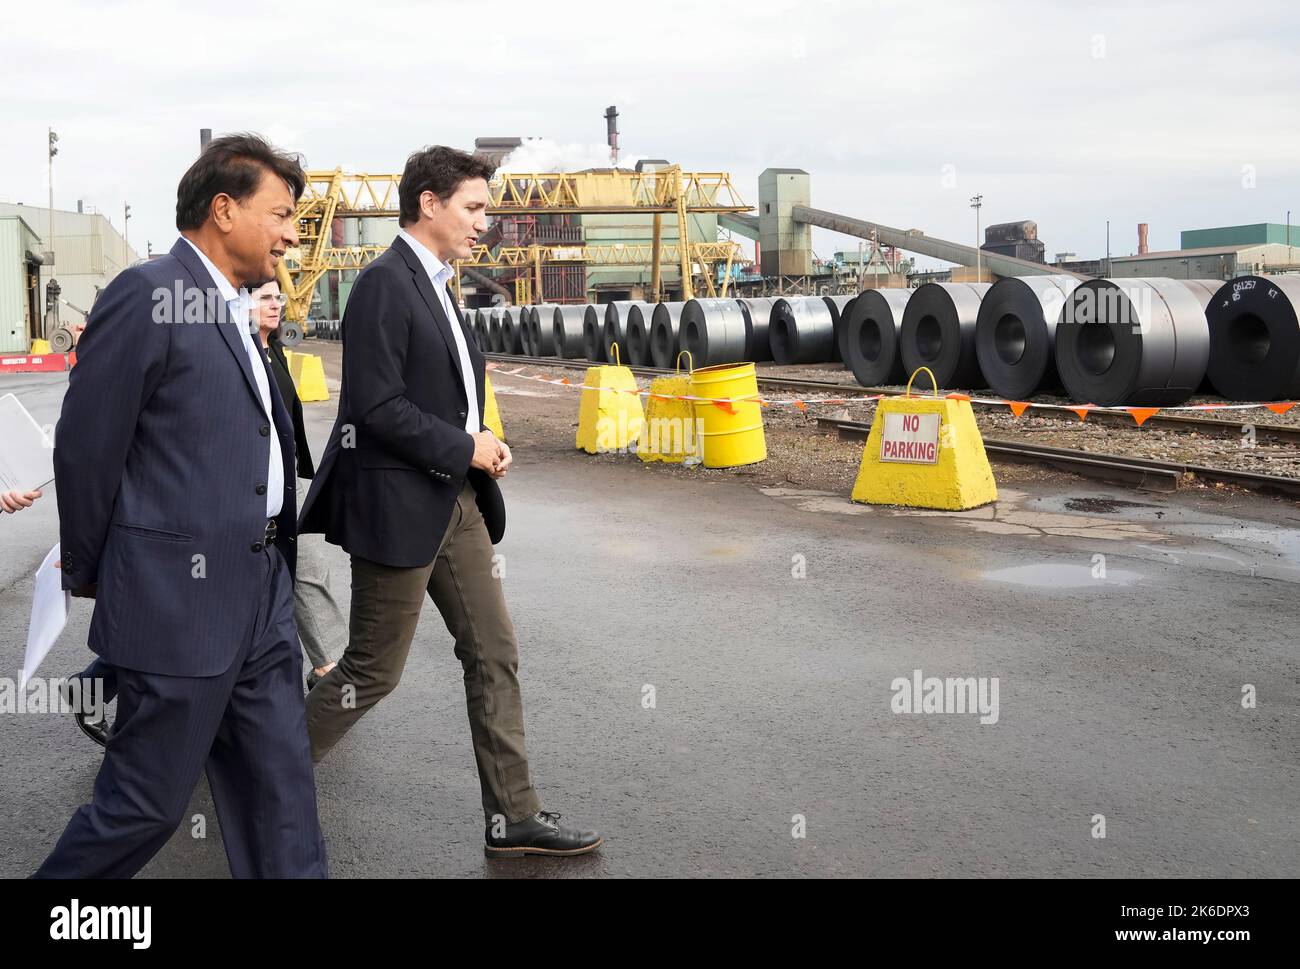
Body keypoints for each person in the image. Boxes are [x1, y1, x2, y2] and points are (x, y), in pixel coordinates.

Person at [35, 133, 328, 878]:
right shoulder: (149, 291)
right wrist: (100, 568)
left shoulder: (236, 307)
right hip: (180, 600)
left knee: (281, 794)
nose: (294, 234)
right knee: (144, 805)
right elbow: (86, 444)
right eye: (282, 213)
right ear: (223, 210)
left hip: (262, 590)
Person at [300, 145, 602, 858]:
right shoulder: (382, 283)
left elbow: (443, 394)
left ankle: (513, 816)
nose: (484, 224)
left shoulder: (440, 285)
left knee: (494, 651)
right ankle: (257, 767)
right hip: (403, 503)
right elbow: (374, 407)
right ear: (428, 203)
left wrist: (480, 437)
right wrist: (460, 444)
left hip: (459, 502)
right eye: (473, 208)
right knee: (372, 670)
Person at [250, 278, 343, 688]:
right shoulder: (240, 352)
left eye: (278, 298)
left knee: (307, 568)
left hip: (285, 479)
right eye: (265, 298)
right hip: (253, 485)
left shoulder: (274, 351)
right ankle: (105, 678)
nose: (276, 305)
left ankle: (327, 667)